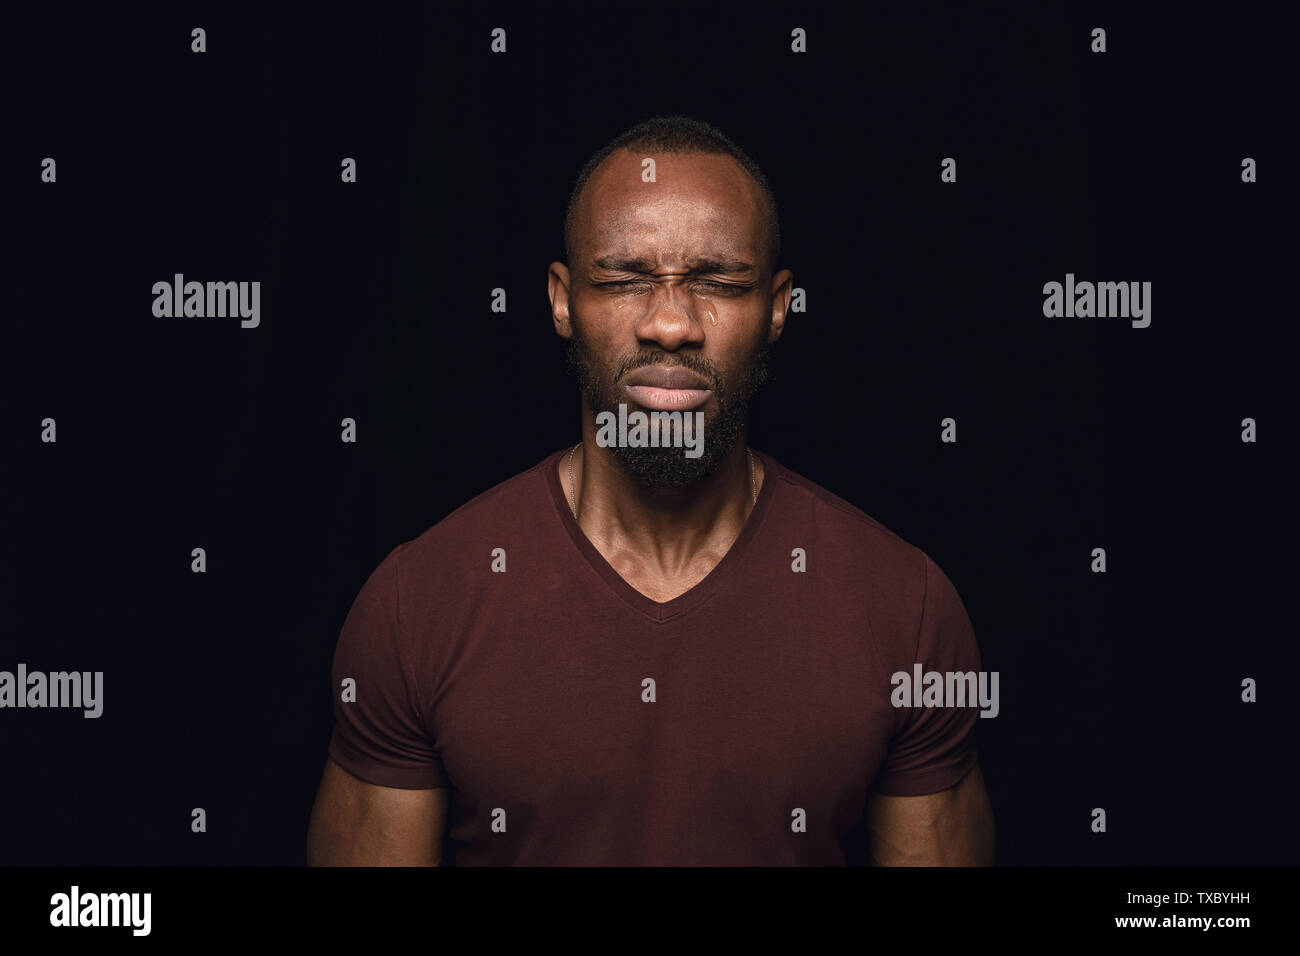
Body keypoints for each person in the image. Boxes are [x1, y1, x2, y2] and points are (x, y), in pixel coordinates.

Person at [307, 115, 995, 865]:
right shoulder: (419, 602)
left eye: (720, 282)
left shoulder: (907, 609)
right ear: (563, 301)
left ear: (776, 306)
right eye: (625, 279)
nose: (670, 323)